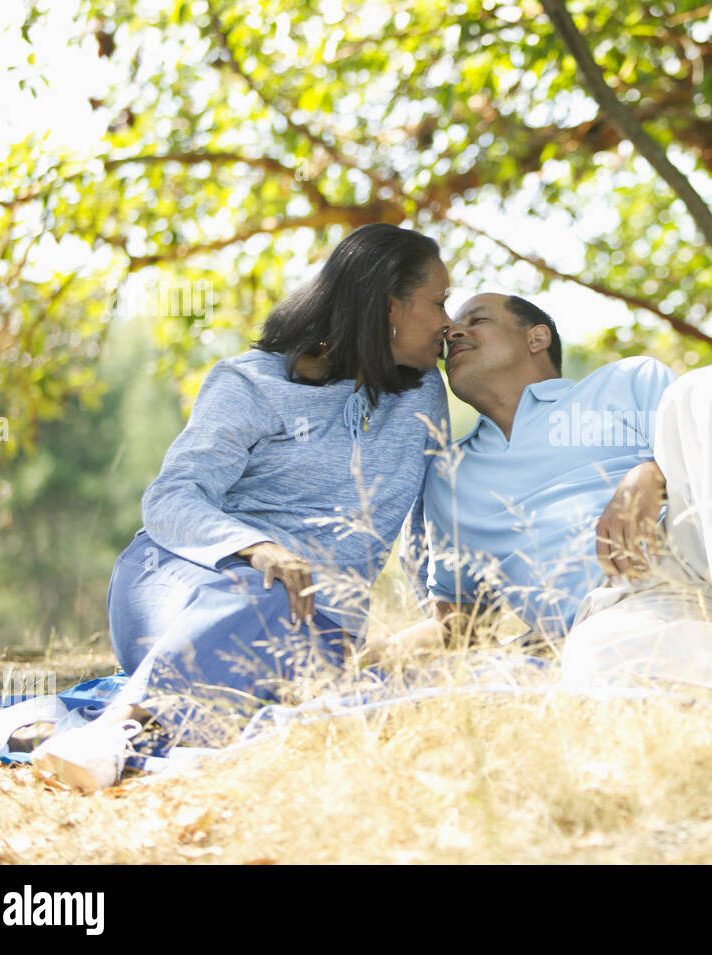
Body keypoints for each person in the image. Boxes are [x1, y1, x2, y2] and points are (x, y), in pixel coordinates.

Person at [30, 223, 452, 790]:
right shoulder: (250, 384)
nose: (448, 321)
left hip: (315, 627)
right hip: (177, 584)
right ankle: (118, 727)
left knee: (278, 677)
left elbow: (428, 517)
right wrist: (258, 548)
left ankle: (71, 728)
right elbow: (173, 497)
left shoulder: (423, 394)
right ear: (389, 305)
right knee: (266, 593)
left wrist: (444, 611)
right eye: (439, 301)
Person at [391, 293, 712, 693]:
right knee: (592, 660)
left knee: (709, 384)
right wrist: (360, 652)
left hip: (704, 546)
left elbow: (703, 442)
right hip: (618, 609)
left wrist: (649, 472)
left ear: (536, 337)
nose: (454, 331)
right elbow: (461, 622)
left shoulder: (626, 381)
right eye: (451, 328)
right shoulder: (449, 475)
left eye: (477, 320)